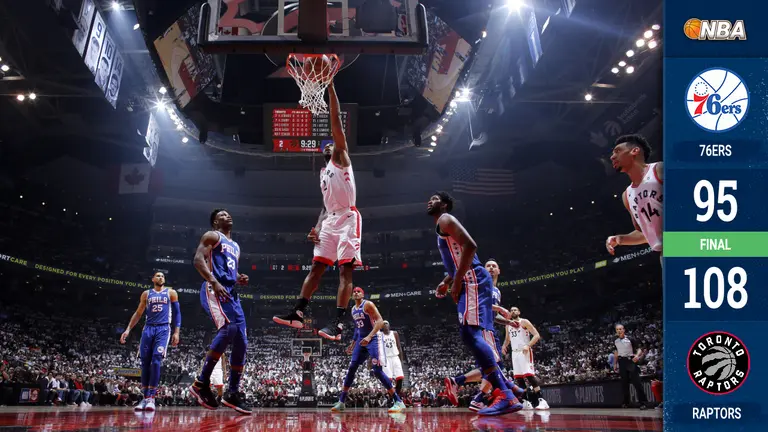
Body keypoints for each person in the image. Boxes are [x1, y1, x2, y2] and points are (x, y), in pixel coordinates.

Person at [273, 80, 362, 341]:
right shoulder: (323, 173)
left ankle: (337, 323)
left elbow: (335, 120)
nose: (328, 145)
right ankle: (298, 313)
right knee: (315, 269)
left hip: (348, 218)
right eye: (324, 145)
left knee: (345, 272)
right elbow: (325, 208)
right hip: (331, 221)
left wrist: (331, 87)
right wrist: (318, 227)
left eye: (331, 143)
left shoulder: (342, 159)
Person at [428, 191, 522, 416]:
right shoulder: (442, 226)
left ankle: (505, 394)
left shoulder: (445, 219)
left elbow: (470, 246)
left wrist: (458, 280)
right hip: (469, 278)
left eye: (435, 198)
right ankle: (507, 389)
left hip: (472, 279)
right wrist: (446, 281)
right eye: (429, 199)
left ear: (446, 204)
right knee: (469, 334)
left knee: (471, 334)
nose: (430, 201)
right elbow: (460, 257)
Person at [189, 209, 252, 415]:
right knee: (228, 328)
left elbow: (228, 271)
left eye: (228, 213)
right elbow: (198, 260)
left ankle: (232, 392)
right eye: (223, 214)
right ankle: (200, 383)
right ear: (215, 222)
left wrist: (238, 278)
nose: (228, 215)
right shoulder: (212, 236)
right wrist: (214, 281)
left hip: (230, 291)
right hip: (214, 289)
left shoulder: (235, 246)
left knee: (242, 340)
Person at [445, 259, 525, 412]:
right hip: (482, 327)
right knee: (494, 364)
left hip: (489, 326)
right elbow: (481, 303)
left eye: (494, 266)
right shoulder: (482, 283)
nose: (491, 268)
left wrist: (508, 322)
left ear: (499, 270)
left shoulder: (497, 290)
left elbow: (492, 314)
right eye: (488, 266)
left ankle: (472, 393)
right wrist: (500, 308)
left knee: (489, 365)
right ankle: (505, 390)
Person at [330, 287, 405, 413]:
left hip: (374, 339)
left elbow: (380, 321)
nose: (356, 292)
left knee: (377, 370)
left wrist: (369, 336)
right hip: (361, 341)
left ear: (363, 294)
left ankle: (398, 401)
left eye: (358, 291)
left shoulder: (368, 304)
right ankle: (341, 401)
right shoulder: (353, 309)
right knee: (352, 368)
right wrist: (353, 344)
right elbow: (357, 329)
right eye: (354, 291)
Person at [120, 271, 181, 412]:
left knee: (156, 361)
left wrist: (176, 332)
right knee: (145, 363)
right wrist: (128, 329)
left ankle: (152, 398)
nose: (161, 277)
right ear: (153, 279)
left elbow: (177, 313)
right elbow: (138, 313)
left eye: (163, 276)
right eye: (158, 276)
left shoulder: (171, 293)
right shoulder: (146, 294)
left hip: (163, 329)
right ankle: (145, 397)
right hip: (148, 329)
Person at [606, 135, 663, 262]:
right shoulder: (627, 195)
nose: (612, 156)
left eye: (618, 151)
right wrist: (621, 239)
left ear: (634, 151)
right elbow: (647, 232)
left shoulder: (659, 170)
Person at [501, 306, 549, 410]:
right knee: (519, 378)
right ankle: (526, 402)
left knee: (529, 376)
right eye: (511, 310)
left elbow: (536, 335)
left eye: (515, 310)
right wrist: (504, 346)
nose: (513, 311)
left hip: (524, 351)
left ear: (519, 312)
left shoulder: (524, 322)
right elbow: (507, 339)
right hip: (515, 353)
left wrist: (528, 345)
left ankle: (542, 400)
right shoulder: (508, 325)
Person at [613, 324, 648, 409]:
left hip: (630, 361)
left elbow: (639, 349)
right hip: (621, 362)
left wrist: (637, 356)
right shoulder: (615, 340)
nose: (619, 331)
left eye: (620, 329)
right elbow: (616, 352)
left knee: (636, 382)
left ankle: (643, 403)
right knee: (624, 384)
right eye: (617, 329)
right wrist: (615, 363)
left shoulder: (630, 339)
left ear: (624, 330)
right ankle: (626, 402)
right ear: (616, 331)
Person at [380, 321, 405, 397]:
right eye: (384, 324)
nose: (385, 325)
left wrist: (401, 360)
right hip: (386, 358)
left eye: (387, 323)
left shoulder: (394, 333)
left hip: (395, 356)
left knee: (400, 377)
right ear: (381, 327)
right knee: (388, 379)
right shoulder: (380, 335)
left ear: (389, 325)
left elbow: (399, 347)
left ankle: (397, 396)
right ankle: (392, 396)